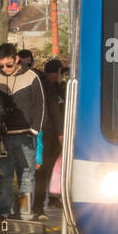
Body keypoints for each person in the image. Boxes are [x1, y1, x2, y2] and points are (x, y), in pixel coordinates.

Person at [0, 42, 45, 218]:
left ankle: (24, 215)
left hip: (25, 136)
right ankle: (4, 219)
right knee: (4, 179)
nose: (5, 69)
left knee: (26, 178)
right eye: (1, 66)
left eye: (9, 65)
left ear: (17, 59)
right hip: (2, 138)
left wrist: (34, 131)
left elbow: (40, 106)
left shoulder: (31, 77)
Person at [34, 58, 66, 218]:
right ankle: (37, 205)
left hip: (55, 134)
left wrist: (61, 84)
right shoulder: (44, 85)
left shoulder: (61, 87)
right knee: (42, 169)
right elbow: (55, 109)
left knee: (54, 169)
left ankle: (52, 198)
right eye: (60, 72)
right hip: (45, 133)